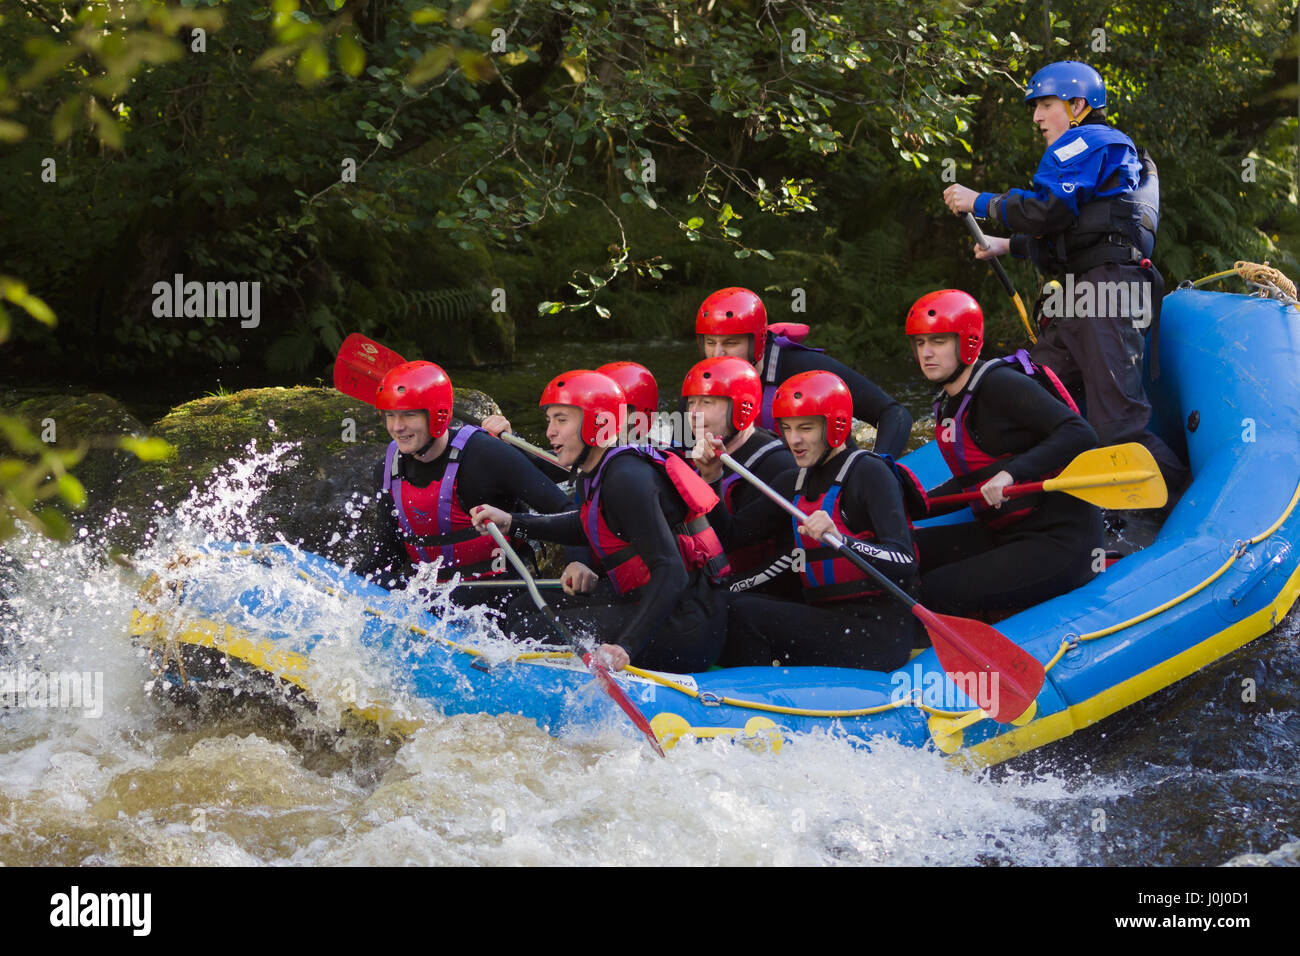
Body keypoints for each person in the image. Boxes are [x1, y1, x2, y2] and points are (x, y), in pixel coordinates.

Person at [941, 60, 1187, 493]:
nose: (1036, 117)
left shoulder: (1086, 141)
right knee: (1030, 395)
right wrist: (1006, 244)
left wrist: (980, 201)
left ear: (1077, 105)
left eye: (1045, 105)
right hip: (1079, 297)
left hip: (1107, 293)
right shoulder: (1088, 153)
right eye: (1034, 106)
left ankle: (1183, 508)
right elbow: (1069, 235)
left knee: (1118, 428)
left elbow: (1047, 210)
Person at [470, 369, 730, 673]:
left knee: (531, 628)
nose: (550, 432)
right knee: (521, 608)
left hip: (687, 627)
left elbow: (672, 571)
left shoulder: (626, 478)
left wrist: (625, 646)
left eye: (561, 420)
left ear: (596, 422)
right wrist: (512, 522)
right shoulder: (596, 470)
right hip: (651, 604)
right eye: (549, 420)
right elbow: (589, 526)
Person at [906, 289, 1104, 617]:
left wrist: (1012, 473)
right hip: (1006, 534)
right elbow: (973, 479)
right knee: (908, 556)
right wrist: (910, 506)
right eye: (920, 343)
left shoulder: (1001, 385)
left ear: (966, 342)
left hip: (1060, 540)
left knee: (937, 589)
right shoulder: (948, 401)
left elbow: (1080, 433)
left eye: (938, 342)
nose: (926, 353)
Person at [721, 370, 923, 670]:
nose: (794, 440)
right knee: (727, 604)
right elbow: (733, 535)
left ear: (836, 426)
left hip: (880, 635)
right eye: (786, 428)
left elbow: (905, 560)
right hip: (831, 620)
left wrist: (843, 542)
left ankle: (758, 697)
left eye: (805, 428)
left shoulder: (870, 473)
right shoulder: (793, 481)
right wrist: (711, 477)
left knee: (745, 614)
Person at [354, 360, 573, 604]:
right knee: (379, 582)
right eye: (390, 415)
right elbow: (387, 553)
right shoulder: (388, 468)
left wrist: (576, 563)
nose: (397, 427)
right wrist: (348, 588)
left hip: (495, 596)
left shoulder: (486, 455)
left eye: (409, 415)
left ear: (438, 414)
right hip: (428, 600)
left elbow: (569, 516)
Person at [694, 287, 914, 459]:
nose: (718, 354)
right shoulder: (699, 387)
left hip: (830, 489)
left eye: (731, 343)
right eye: (711, 343)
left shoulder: (805, 368)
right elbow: (679, 450)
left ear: (758, 342)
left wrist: (878, 466)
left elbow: (894, 414)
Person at [680, 356, 796, 592]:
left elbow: (729, 541)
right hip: (709, 583)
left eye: (707, 402)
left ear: (743, 407)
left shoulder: (778, 466)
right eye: (691, 403)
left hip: (762, 596)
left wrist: (724, 591)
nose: (693, 413)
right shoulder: (691, 457)